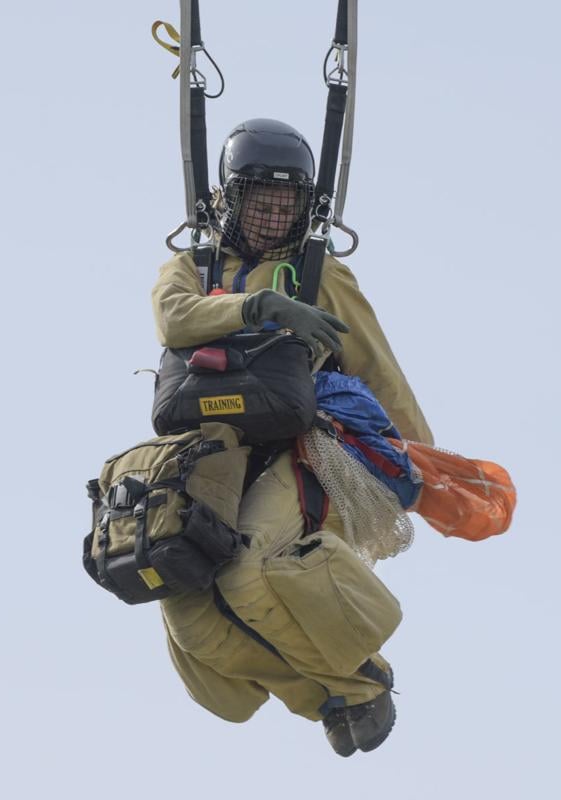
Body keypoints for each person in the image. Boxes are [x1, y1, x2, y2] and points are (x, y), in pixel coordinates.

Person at [150, 118, 432, 756]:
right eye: (260, 201)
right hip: (207, 455)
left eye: (288, 204)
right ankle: (324, 699)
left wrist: (420, 462)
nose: (275, 217)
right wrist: (254, 308)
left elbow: (377, 366)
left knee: (252, 572)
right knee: (187, 605)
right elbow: (174, 318)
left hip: (294, 447)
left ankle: (363, 682)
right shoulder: (192, 267)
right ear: (230, 199)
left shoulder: (317, 273)